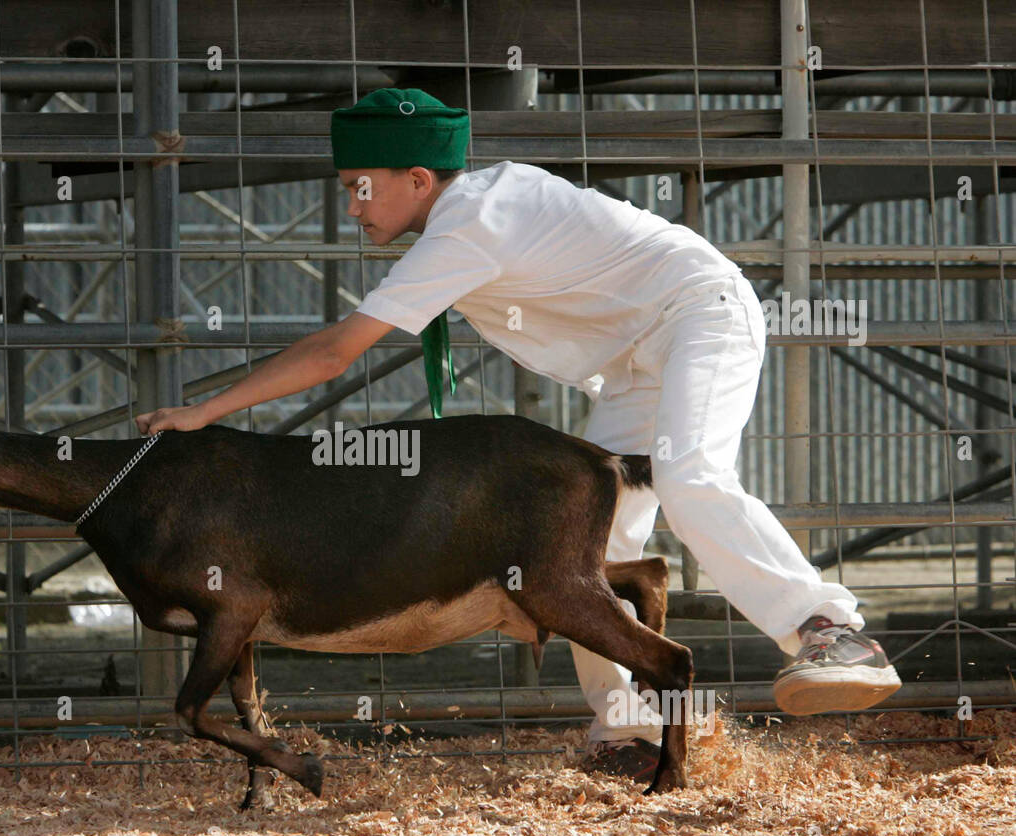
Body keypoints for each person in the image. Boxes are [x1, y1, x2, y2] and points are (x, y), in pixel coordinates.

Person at [134, 87, 901, 782]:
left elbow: (338, 350)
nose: (354, 207)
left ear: (418, 180)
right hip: (637, 357)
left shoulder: (470, 224)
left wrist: (204, 412)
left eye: (359, 187)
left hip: (699, 311)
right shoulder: (464, 214)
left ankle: (830, 630)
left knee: (690, 474)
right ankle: (624, 731)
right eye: (346, 190)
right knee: (585, 558)